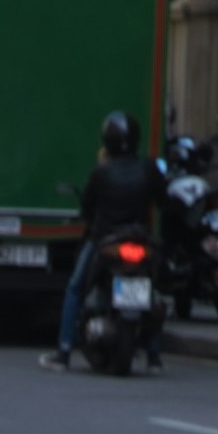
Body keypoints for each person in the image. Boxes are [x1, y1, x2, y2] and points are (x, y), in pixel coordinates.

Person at [52, 106, 156, 364]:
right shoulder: (148, 168)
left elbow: (87, 206)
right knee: (153, 290)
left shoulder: (101, 172)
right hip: (140, 238)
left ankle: (64, 350)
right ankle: (154, 354)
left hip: (104, 238)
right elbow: (163, 199)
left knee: (76, 288)